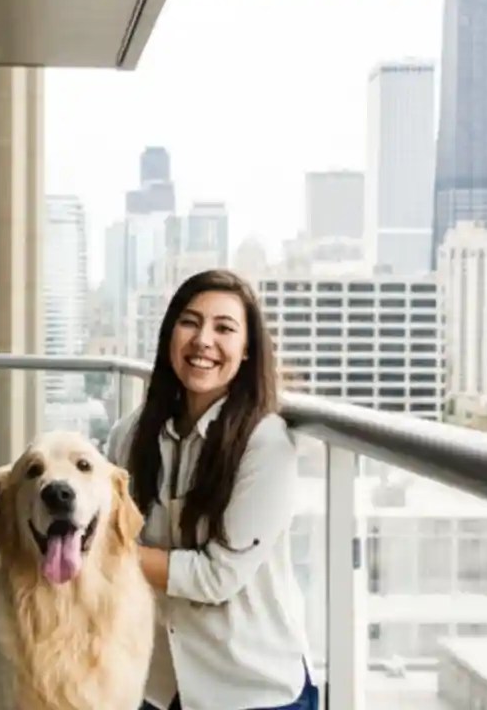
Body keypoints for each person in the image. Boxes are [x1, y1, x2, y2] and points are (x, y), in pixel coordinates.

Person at [105, 269, 318, 710]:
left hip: (251, 687)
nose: (203, 340)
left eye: (224, 328)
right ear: (169, 335)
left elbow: (216, 576)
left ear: (246, 352)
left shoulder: (266, 443)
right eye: (190, 321)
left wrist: (102, 553)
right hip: (158, 683)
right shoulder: (128, 435)